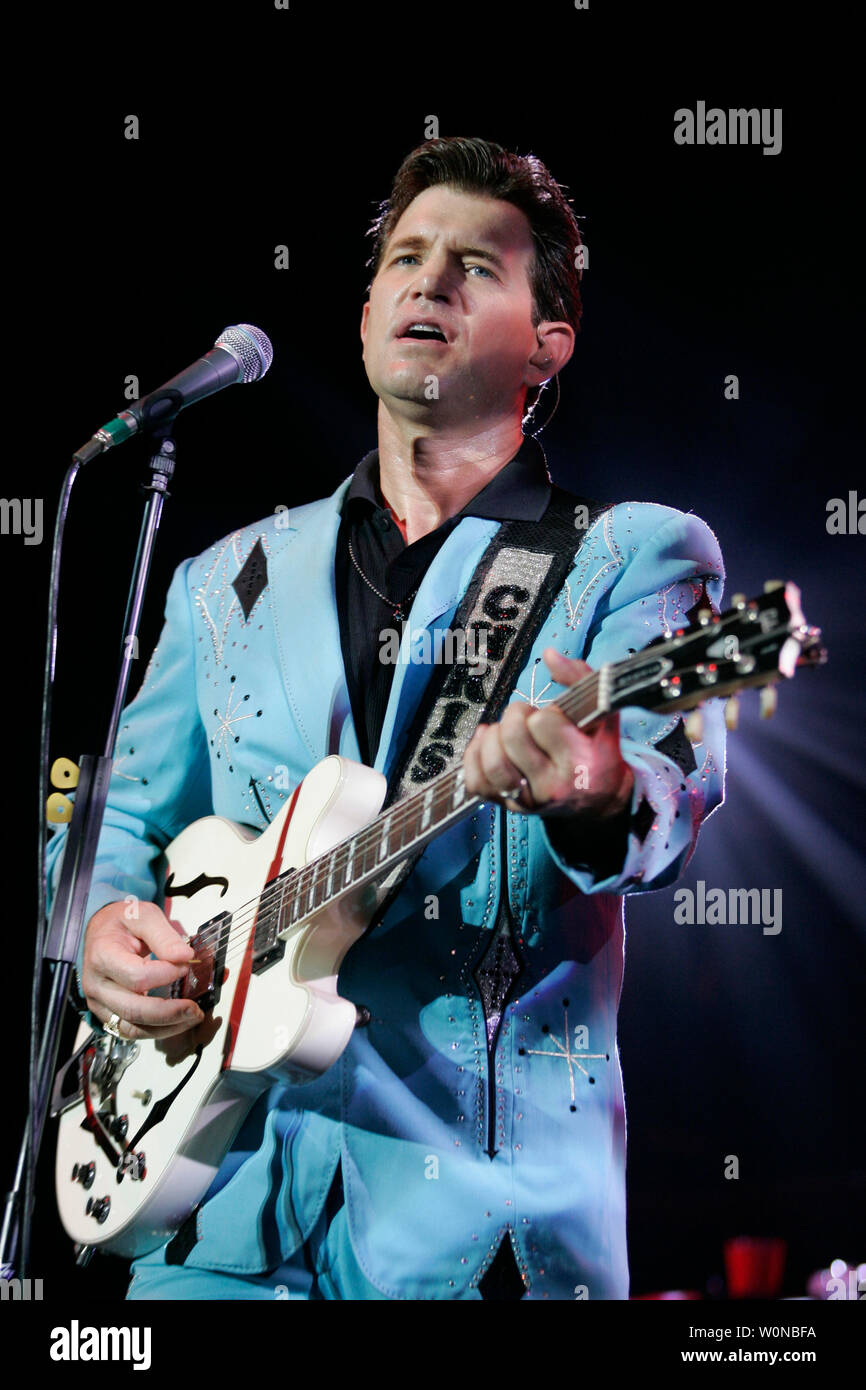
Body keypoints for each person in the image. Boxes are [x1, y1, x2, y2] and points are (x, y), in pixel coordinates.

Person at [47, 136, 726, 1300]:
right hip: (209, 1214)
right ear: (365, 311)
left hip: (478, 1233)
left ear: (547, 341)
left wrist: (597, 791)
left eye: (475, 265)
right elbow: (110, 820)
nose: (429, 281)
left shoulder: (633, 553)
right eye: (406, 258)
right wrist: (105, 918)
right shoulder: (222, 578)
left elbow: (665, 798)